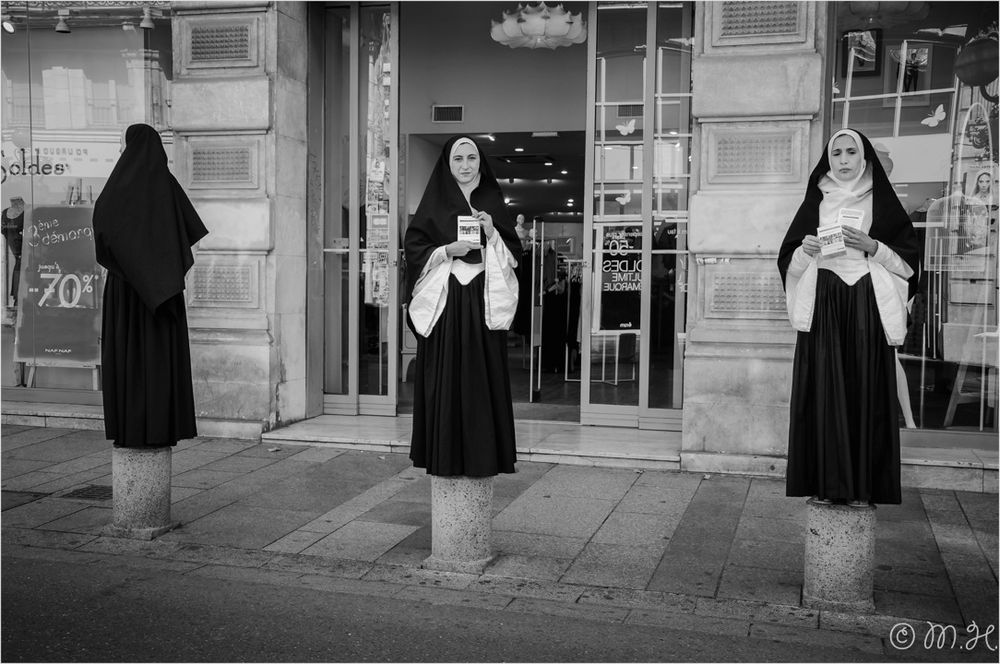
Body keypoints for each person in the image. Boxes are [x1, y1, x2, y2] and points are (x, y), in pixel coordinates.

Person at [777, 128, 920, 506]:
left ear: (864, 158)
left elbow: (909, 267)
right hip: (825, 301)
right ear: (828, 158)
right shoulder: (817, 200)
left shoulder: (882, 202)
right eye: (836, 153)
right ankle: (827, 484)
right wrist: (806, 250)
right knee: (824, 390)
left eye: (850, 152)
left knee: (865, 387)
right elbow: (789, 265)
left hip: (866, 304)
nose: (843, 160)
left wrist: (873, 246)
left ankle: (863, 487)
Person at [404, 135, 520, 476]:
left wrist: (493, 234)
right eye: (459, 159)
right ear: (448, 163)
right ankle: (444, 452)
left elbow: (515, 257)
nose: (466, 165)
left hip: (483, 301)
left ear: (480, 162)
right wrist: (446, 251)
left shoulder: (493, 202)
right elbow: (414, 249)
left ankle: (484, 454)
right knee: (444, 376)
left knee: (482, 380)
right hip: (447, 303)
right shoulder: (434, 201)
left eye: (471, 158)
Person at [93, 124, 208, 448]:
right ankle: (162, 426)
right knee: (159, 359)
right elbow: (188, 234)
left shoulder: (115, 188)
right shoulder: (166, 186)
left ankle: (129, 426)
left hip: (125, 294)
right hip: (164, 294)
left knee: (127, 357)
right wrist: (159, 271)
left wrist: (127, 267)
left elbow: (101, 234)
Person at [2, 195, 25, 307]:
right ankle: (17, 299)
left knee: (20, 269)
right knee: (18, 269)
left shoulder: (27, 211)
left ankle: (18, 299)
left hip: (24, 251)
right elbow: (3, 232)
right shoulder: (5, 213)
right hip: (15, 252)